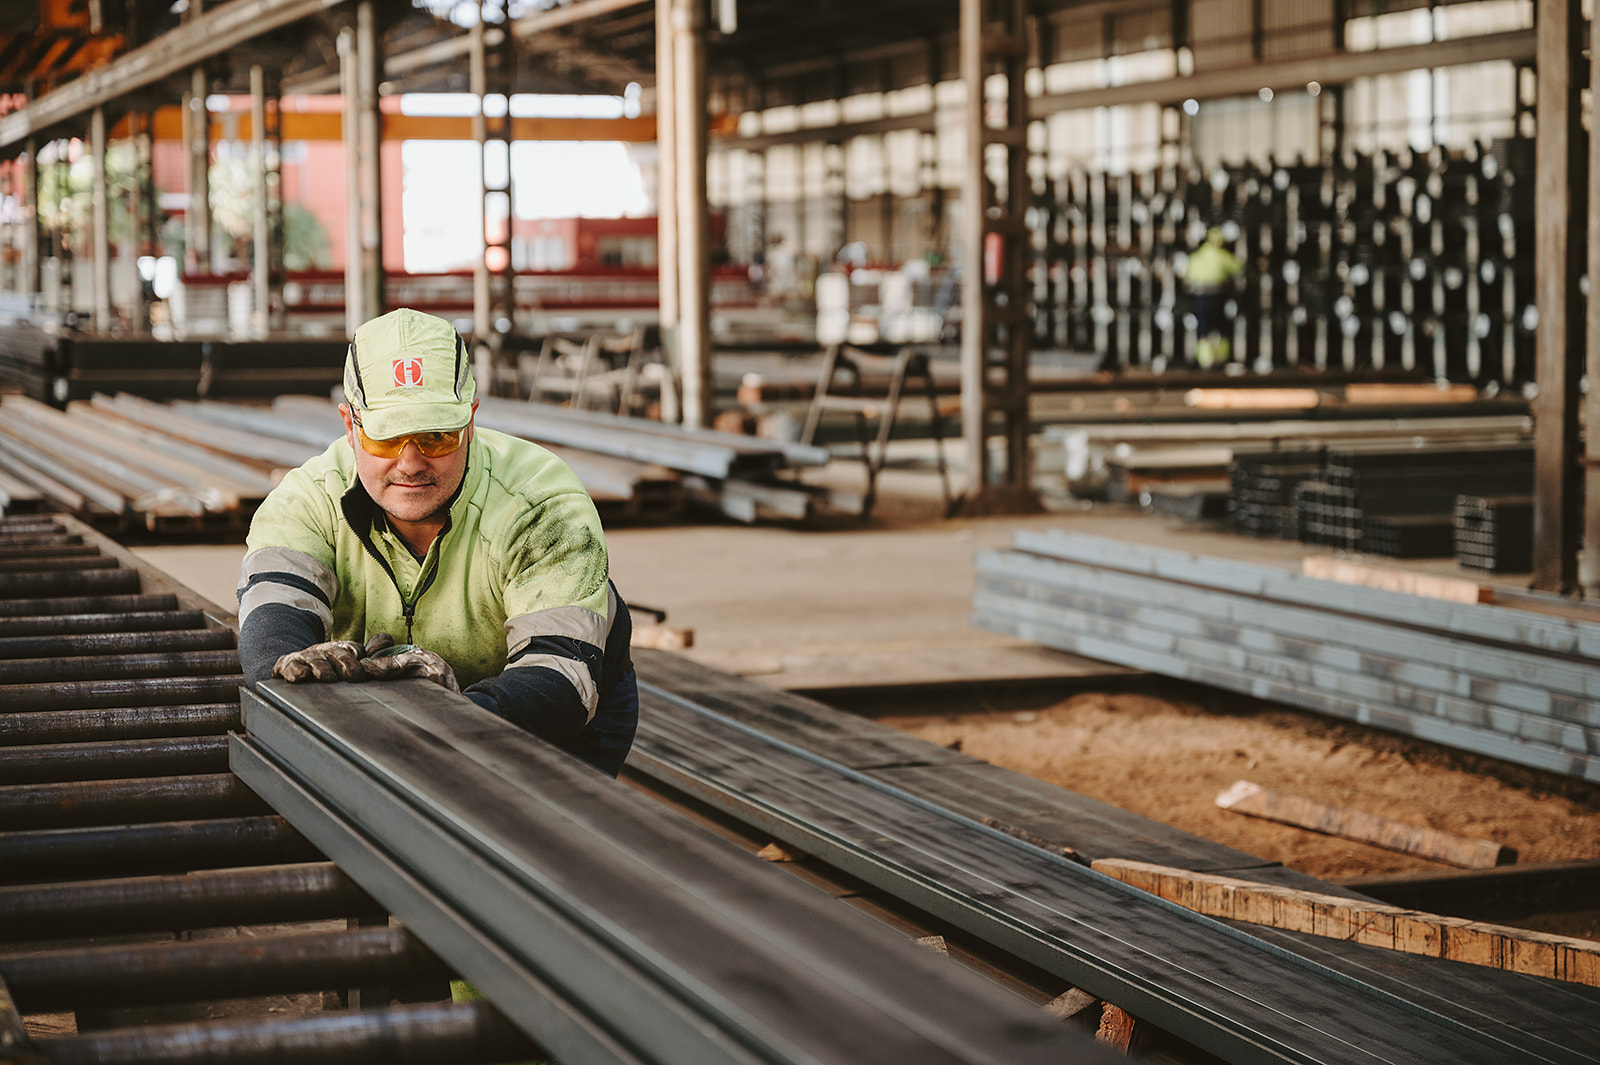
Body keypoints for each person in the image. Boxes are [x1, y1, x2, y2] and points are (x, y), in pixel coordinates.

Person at [236, 307, 637, 777]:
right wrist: (287, 661)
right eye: (386, 439)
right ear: (350, 425)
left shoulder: (543, 506)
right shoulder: (306, 500)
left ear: (470, 420)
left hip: (559, 721)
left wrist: (447, 717)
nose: (410, 463)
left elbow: (561, 682)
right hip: (385, 707)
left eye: (436, 437)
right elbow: (271, 624)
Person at [1183, 227, 1242, 369]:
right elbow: (1238, 268)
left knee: (1203, 327)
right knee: (1220, 326)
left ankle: (1205, 359)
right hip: (1218, 296)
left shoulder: (1197, 256)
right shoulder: (1222, 255)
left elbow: (1187, 276)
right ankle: (1221, 357)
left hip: (1200, 296)